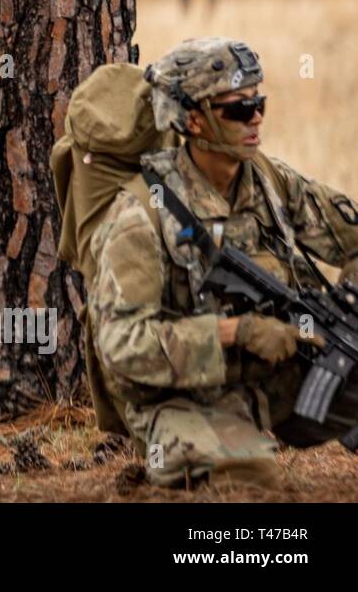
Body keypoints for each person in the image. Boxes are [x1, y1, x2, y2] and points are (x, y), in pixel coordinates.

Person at [88, 37, 358, 488]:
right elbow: (121, 344)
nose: (255, 119)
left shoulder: (269, 184)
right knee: (248, 479)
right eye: (238, 109)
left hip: (270, 386)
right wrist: (237, 333)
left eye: (260, 105)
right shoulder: (141, 213)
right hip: (183, 399)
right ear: (193, 119)